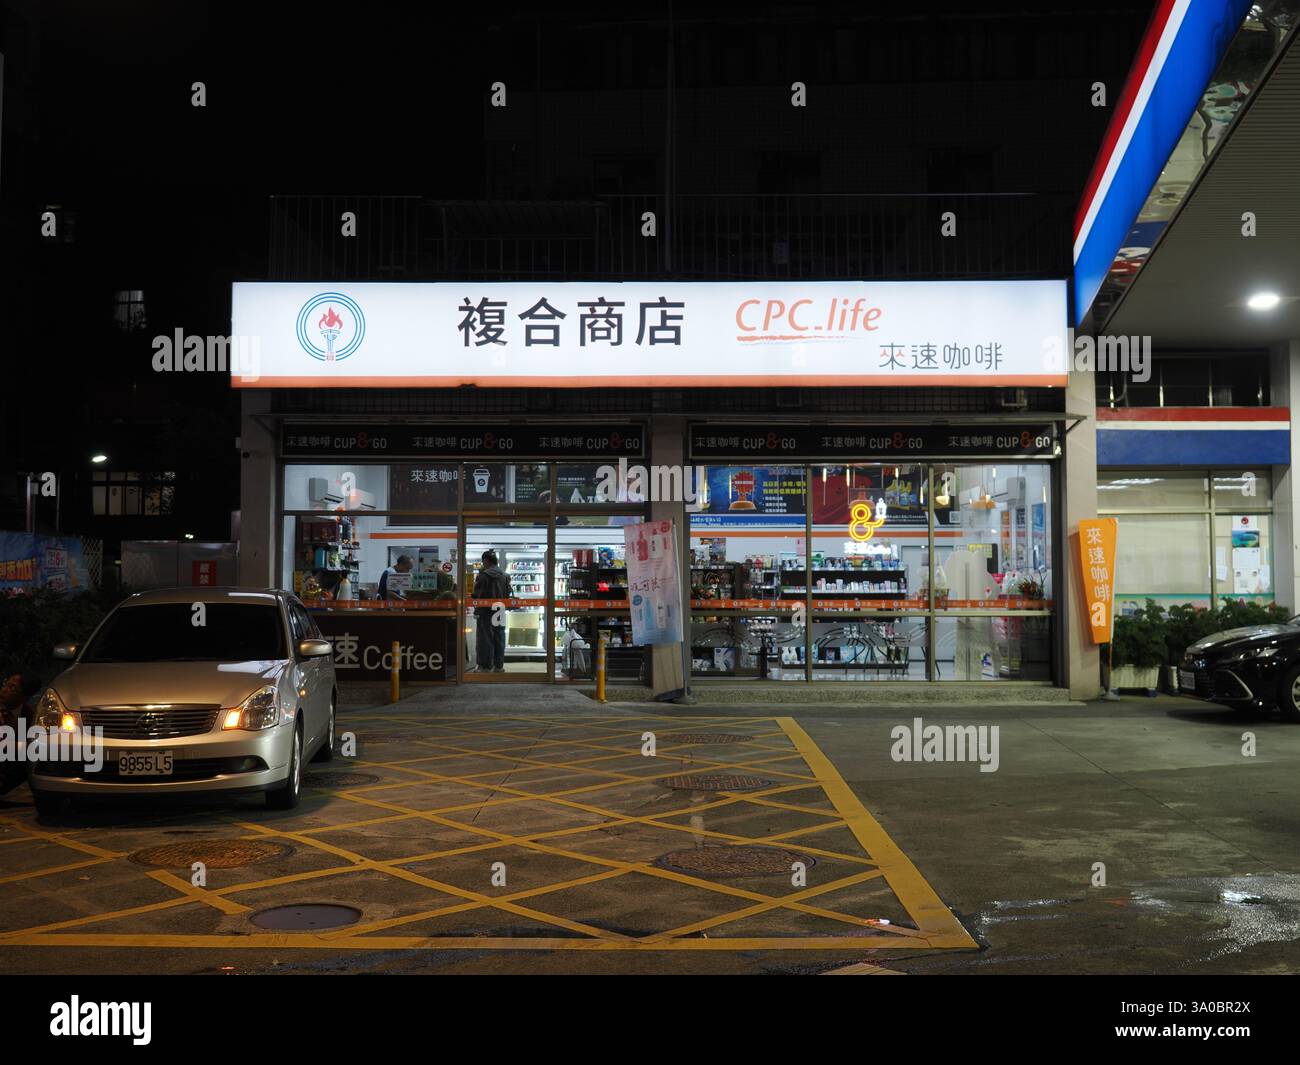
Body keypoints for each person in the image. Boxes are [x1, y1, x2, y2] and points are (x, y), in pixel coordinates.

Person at [472, 549, 512, 673]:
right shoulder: (505, 576)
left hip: (485, 612)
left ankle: (485, 666)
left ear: (486, 561)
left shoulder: (483, 576)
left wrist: (476, 611)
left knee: (485, 638)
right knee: (499, 637)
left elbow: (478, 595)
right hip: (500, 611)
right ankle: (499, 666)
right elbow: (507, 594)